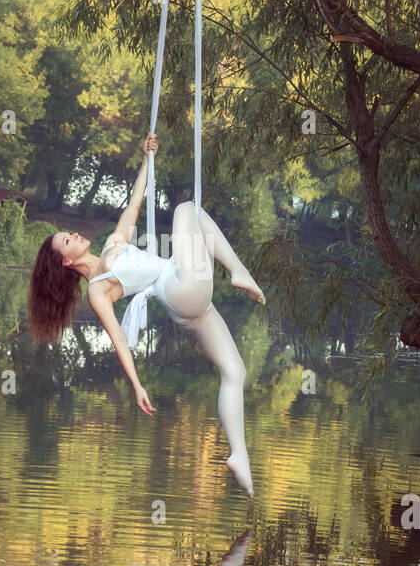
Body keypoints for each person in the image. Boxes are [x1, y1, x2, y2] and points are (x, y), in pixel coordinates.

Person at [27, 133, 266, 497]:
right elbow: (119, 339)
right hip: (176, 288)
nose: (74, 235)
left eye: (69, 233)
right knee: (188, 211)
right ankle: (238, 271)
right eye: (67, 240)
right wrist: (136, 385)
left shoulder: (113, 244)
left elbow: (134, 206)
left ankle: (239, 454)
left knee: (235, 372)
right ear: (66, 260)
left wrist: (146, 160)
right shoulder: (97, 289)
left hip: (186, 305)